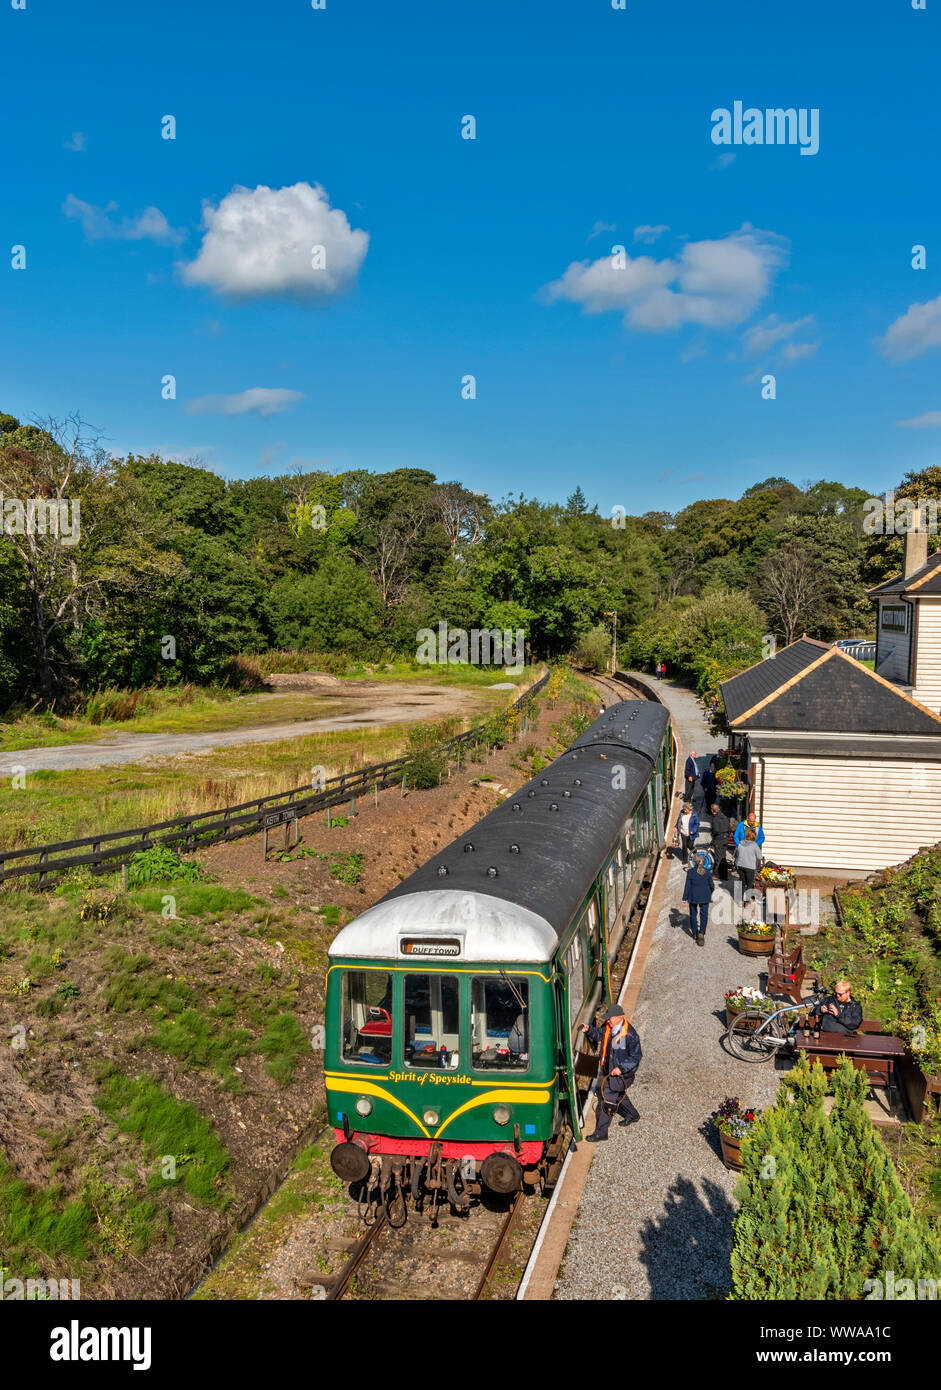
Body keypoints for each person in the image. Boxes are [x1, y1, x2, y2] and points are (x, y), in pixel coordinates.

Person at [581, 1003, 642, 1142]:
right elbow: (600, 1034)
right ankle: (633, 1115)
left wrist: (621, 1068)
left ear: (620, 1017)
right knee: (619, 1095)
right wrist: (589, 1029)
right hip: (609, 1070)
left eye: (610, 1018)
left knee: (608, 1101)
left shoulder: (631, 1035)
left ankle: (601, 1133)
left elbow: (636, 1057)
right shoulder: (610, 1027)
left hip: (621, 1076)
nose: (607, 1020)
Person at [682, 855, 714, 946]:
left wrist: (684, 898)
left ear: (694, 862)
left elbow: (687, 886)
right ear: (703, 862)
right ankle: (702, 932)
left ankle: (695, 933)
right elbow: (711, 885)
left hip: (693, 897)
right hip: (705, 896)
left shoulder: (690, 872)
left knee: (693, 915)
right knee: (704, 915)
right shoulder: (707, 872)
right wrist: (710, 892)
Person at [735, 826, 762, 892]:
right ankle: (746, 900)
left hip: (740, 865)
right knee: (749, 885)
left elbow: (737, 854)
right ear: (754, 837)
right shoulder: (755, 845)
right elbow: (759, 857)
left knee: (742, 883)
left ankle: (740, 899)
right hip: (750, 867)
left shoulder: (740, 843)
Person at [710, 802, 731, 880]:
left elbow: (716, 830)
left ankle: (715, 874)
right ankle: (724, 876)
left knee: (718, 858)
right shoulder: (725, 817)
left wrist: (712, 834)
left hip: (719, 840)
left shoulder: (715, 819)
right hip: (725, 839)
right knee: (723, 857)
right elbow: (729, 829)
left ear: (713, 810)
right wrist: (726, 836)